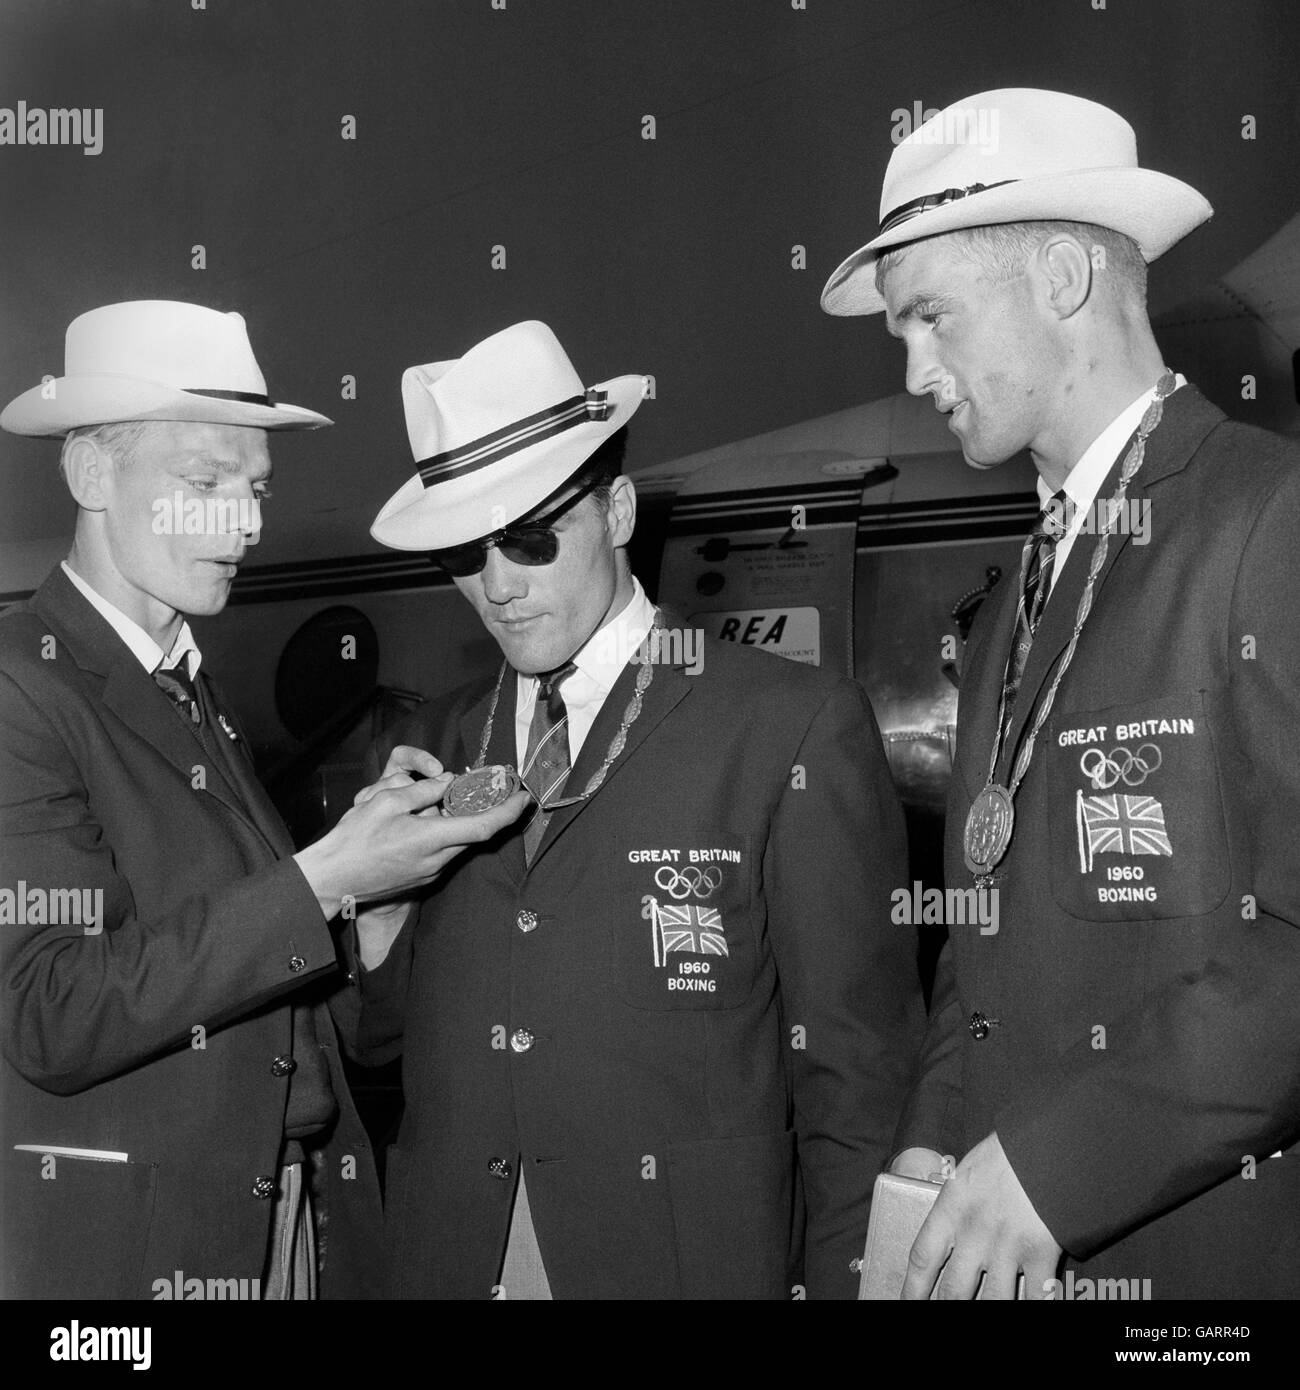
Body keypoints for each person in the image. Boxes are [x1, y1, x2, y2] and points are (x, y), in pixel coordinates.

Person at [821, 88, 1300, 1299]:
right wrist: (933, 1136)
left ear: (1062, 280)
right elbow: (978, 945)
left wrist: (1057, 1167)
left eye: (930, 316)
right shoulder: (1010, 607)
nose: (915, 368)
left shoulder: (1265, 517)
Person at [348, 319, 923, 1299]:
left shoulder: (786, 726)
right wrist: (376, 921)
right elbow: (376, 1046)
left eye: (530, 534)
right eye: (460, 552)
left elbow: (857, 1078)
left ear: (615, 510)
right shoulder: (432, 747)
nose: (495, 585)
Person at [0, 299, 527, 1300]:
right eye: (205, 483)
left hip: (276, 1220)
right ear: (91, 474)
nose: (245, 523)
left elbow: (248, 978)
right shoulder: (24, 689)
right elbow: (50, 1012)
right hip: (143, 1256)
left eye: (256, 489)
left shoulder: (188, 688)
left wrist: (372, 905)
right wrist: (321, 876)